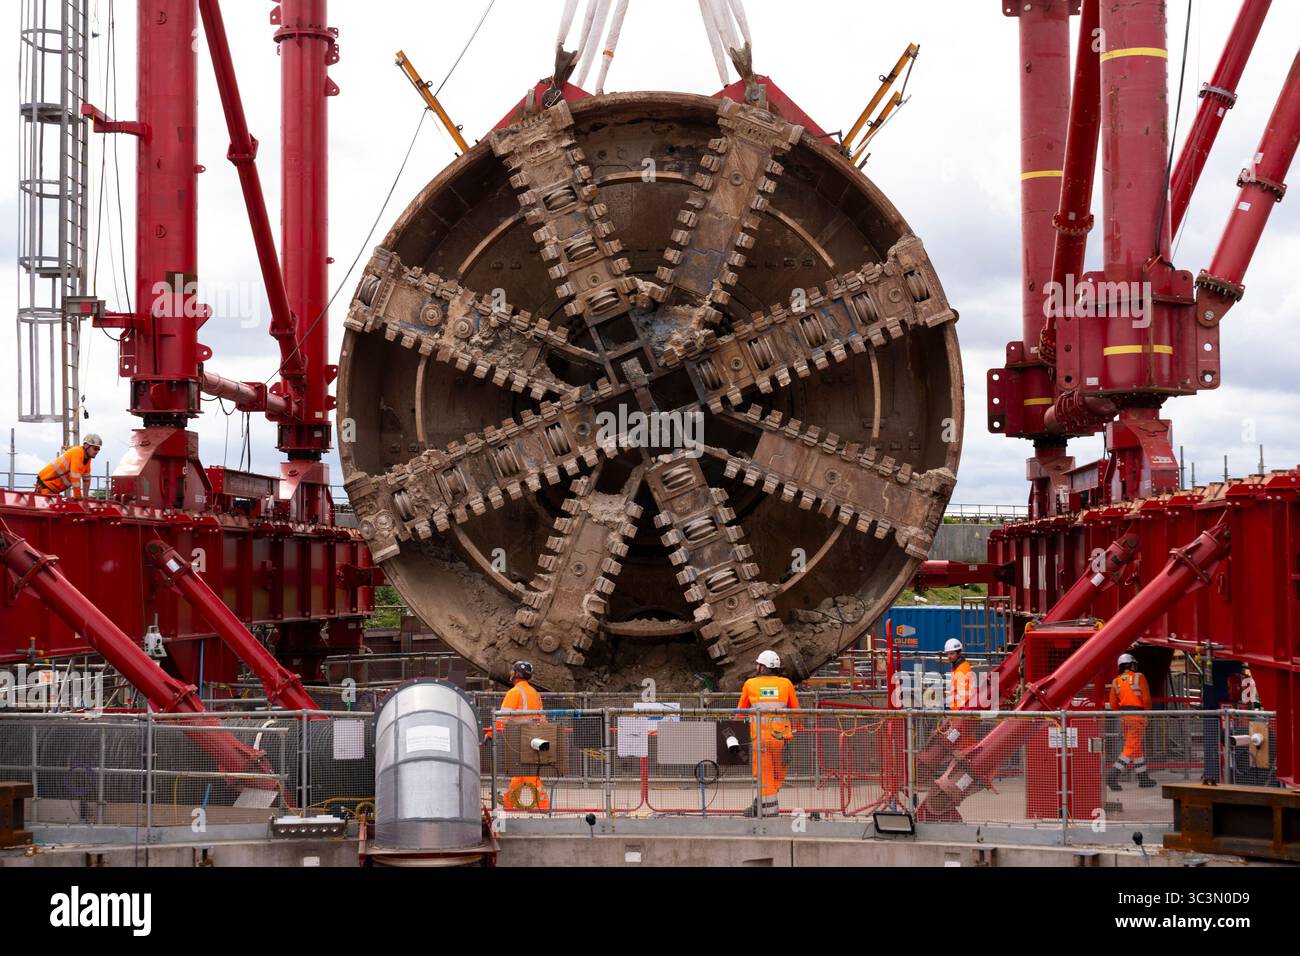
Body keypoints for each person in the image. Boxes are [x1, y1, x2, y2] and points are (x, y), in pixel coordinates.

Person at [736, 649, 800, 818]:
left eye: (758, 664)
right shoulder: (786, 684)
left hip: (759, 740)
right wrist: (795, 728)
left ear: (762, 667)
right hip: (781, 739)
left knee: (764, 777)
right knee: (778, 775)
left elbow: (740, 712)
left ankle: (767, 811)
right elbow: (796, 711)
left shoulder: (750, 684)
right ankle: (762, 806)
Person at [494, 660, 549, 811]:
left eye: (513, 671)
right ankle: (509, 801)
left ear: (516, 674)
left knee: (529, 774)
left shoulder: (514, 693)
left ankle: (543, 804)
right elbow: (542, 718)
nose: (510, 673)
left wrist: (492, 733)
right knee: (521, 772)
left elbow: (502, 717)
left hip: (518, 738)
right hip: (534, 737)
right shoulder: (535, 693)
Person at [1107, 652, 1155, 790]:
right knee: (1129, 749)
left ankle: (1143, 779)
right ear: (1131, 664)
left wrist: (1121, 715)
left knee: (1136, 748)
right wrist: (1147, 714)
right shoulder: (1139, 677)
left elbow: (1113, 703)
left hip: (1124, 717)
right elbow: (1146, 698)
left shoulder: (1116, 681)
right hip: (1137, 716)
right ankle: (1112, 776)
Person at [35, 434, 102, 498]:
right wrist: (78, 498)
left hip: (53, 488)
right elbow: (75, 477)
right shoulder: (77, 452)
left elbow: (86, 478)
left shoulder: (87, 459)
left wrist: (85, 497)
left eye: (98, 449)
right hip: (45, 485)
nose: (97, 451)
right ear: (86, 446)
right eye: (95, 448)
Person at [944, 638, 978, 711]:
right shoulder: (958, 667)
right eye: (947, 654)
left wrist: (956, 712)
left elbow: (963, 696)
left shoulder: (962, 670)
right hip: (959, 709)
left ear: (959, 653)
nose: (949, 656)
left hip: (961, 711)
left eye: (952, 653)